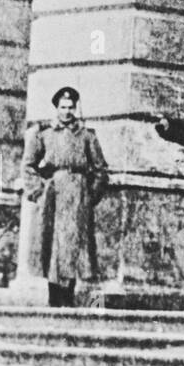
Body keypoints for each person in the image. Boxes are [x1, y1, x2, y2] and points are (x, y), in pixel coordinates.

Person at [22, 86, 108, 307]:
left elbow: (100, 170)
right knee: (53, 247)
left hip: (78, 197)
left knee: (73, 248)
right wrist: (38, 192)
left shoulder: (87, 136)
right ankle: (54, 299)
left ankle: (68, 299)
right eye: (63, 107)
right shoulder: (44, 133)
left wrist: (90, 197)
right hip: (53, 197)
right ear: (56, 108)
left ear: (76, 108)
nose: (67, 112)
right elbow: (28, 165)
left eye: (71, 107)